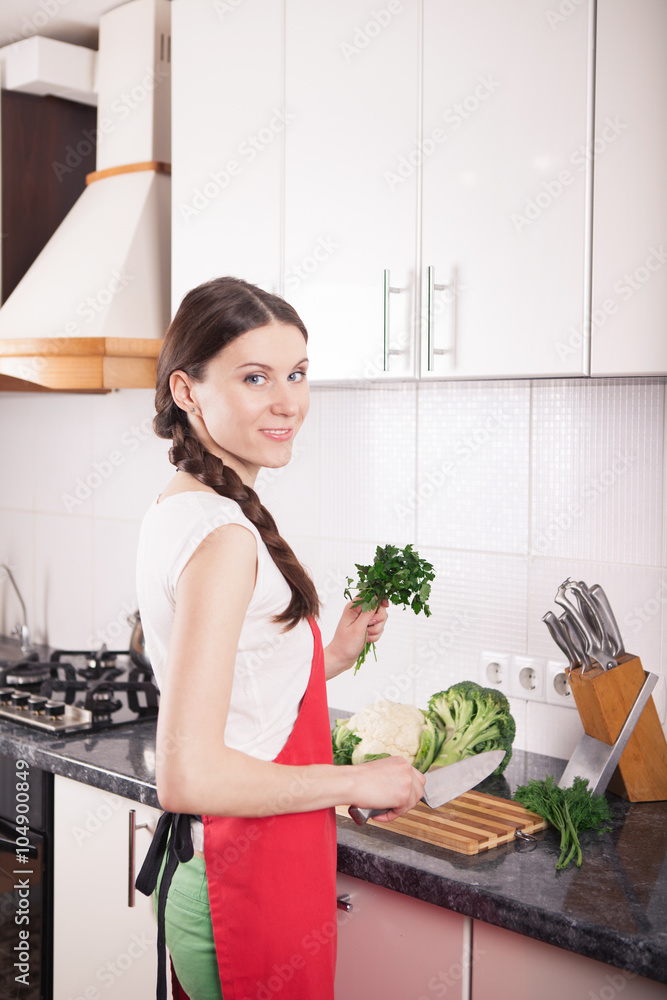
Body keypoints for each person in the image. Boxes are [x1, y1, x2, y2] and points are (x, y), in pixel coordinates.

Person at [134, 276, 425, 1000]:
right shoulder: (223, 537)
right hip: (238, 871)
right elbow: (188, 776)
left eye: (296, 374)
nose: (287, 400)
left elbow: (233, 696)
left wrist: (329, 660)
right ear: (188, 390)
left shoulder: (188, 505)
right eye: (254, 377)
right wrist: (357, 780)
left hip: (248, 862)